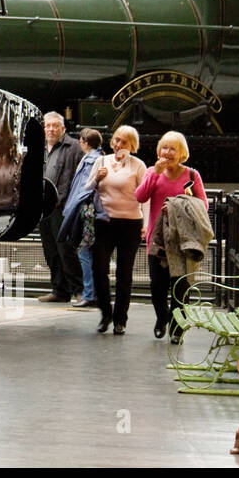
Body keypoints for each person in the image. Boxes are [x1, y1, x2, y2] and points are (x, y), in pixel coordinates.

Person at [136, 130, 208, 342]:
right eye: (164, 148)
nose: (167, 152)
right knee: (157, 286)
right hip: (157, 240)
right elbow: (140, 196)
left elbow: (202, 204)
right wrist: (154, 174)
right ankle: (161, 318)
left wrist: (178, 206)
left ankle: (177, 330)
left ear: (181, 153)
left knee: (181, 287)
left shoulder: (191, 176)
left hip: (182, 241)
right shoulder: (152, 171)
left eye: (172, 148)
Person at [89, 125, 147, 334]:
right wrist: (97, 178)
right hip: (105, 222)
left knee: (125, 272)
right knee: (99, 268)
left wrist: (146, 224)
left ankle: (120, 319)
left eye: (123, 141)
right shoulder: (101, 161)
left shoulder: (138, 166)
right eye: (116, 140)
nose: (118, 144)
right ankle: (106, 313)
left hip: (130, 224)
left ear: (132, 145)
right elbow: (86, 188)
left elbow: (145, 196)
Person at [37, 112, 82, 302]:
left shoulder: (73, 147)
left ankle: (79, 290)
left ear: (63, 129)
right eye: (47, 126)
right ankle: (59, 290)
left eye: (55, 126)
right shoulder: (39, 146)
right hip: (42, 206)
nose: (51, 129)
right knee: (50, 250)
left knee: (66, 249)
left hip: (63, 206)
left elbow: (79, 177)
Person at [63, 128, 104, 309]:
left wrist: (71, 209)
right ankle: (92, 293)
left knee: (85, 252)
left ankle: (89, 294)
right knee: (88, 252)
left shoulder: (90, 160)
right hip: (92, 210)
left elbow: (83, 188)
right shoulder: (98, 158)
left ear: (85, 142)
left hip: (86, 211)